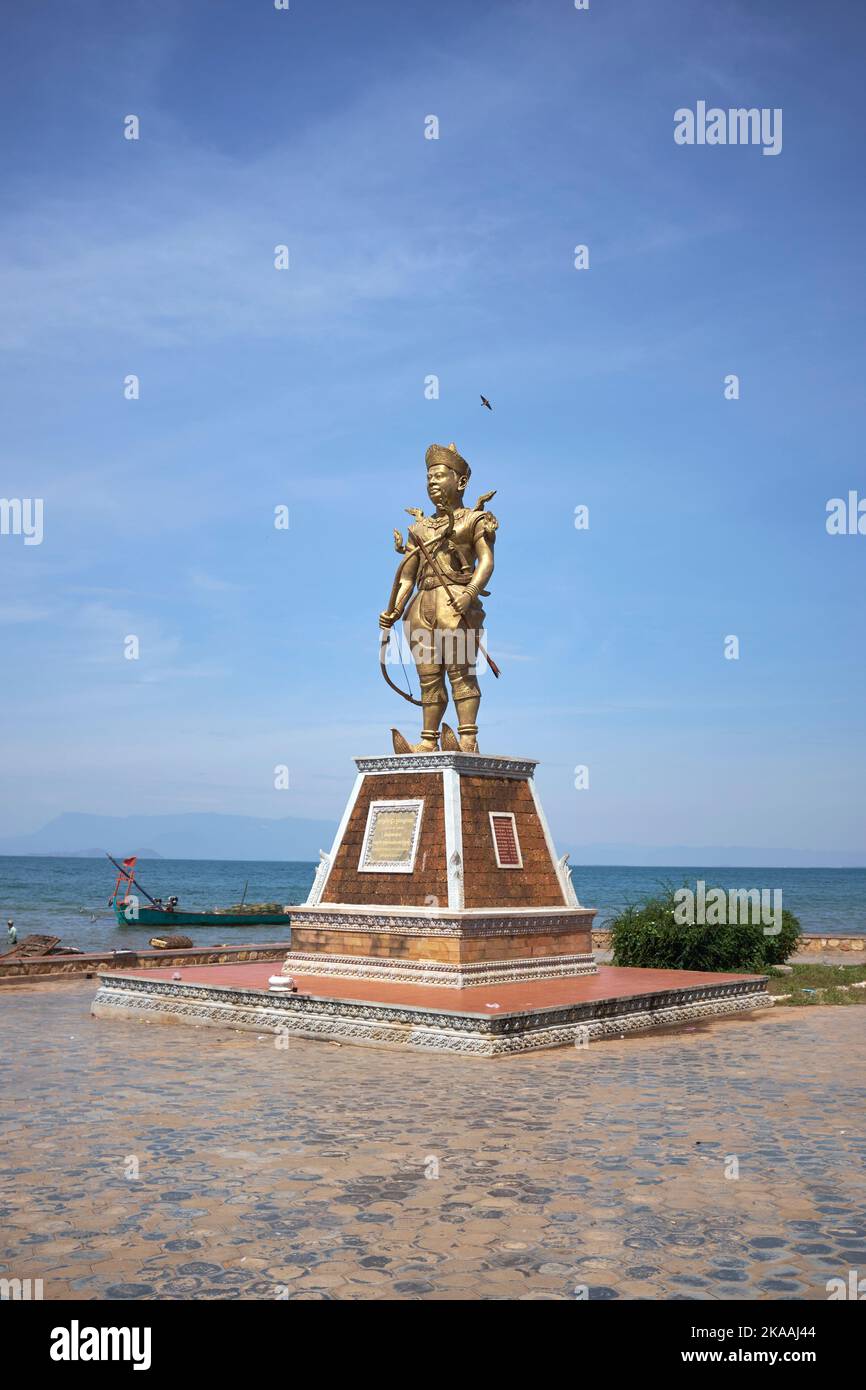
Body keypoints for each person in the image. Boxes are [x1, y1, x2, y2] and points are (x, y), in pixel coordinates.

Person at [379, 442, 498, 752]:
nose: (432, 481)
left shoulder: (474, 520)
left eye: (439, 475)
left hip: (456, 601)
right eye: (428, 476)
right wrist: (395, 608)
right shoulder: (419, 528)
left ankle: (468, 738)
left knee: (461, 673)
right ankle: (428, 739)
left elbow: (486, 561)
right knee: (429, 678)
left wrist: (471, 592)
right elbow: (407, 575)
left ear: (460, 481)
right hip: (422, 606)